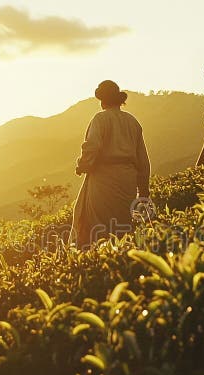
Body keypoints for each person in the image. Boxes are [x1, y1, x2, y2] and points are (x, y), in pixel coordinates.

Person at [70, 80, 151, 249]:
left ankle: (97, 263)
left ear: (103, 100)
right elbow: (143, 159)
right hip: (127, 181)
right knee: (122, 224)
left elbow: (92, 147)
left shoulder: (100, 119)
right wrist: (143, 189)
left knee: (98, 226)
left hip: (103, 180)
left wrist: (82, 166)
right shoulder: (132, 121)